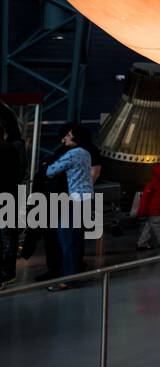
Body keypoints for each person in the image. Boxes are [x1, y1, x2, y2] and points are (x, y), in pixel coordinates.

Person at [44, 124, 95, 291]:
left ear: (76, 138)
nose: (65, 138)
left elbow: (51, 170)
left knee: (67, 240)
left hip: (75, 200)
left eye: (69, 135)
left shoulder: (74, 153)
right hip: (86, 198)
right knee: (76, 240)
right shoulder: (86, 153)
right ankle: (74, 274)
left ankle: (68, 279)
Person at [0, 112, 22, 287]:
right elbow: (19, 174)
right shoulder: (13, 150)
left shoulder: (7, 150)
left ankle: (6, 272)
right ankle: (8, 272)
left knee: (7, 236)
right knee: (8, 236)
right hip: (10, 197)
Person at [135, 163, 160, 250]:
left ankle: (142, 244)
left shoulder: (157, 184)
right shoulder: (154, 185)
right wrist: (141, 211)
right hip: (153, 210)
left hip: (154, 210)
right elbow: (145, 199)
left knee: (149, 227)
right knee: (158, 227)